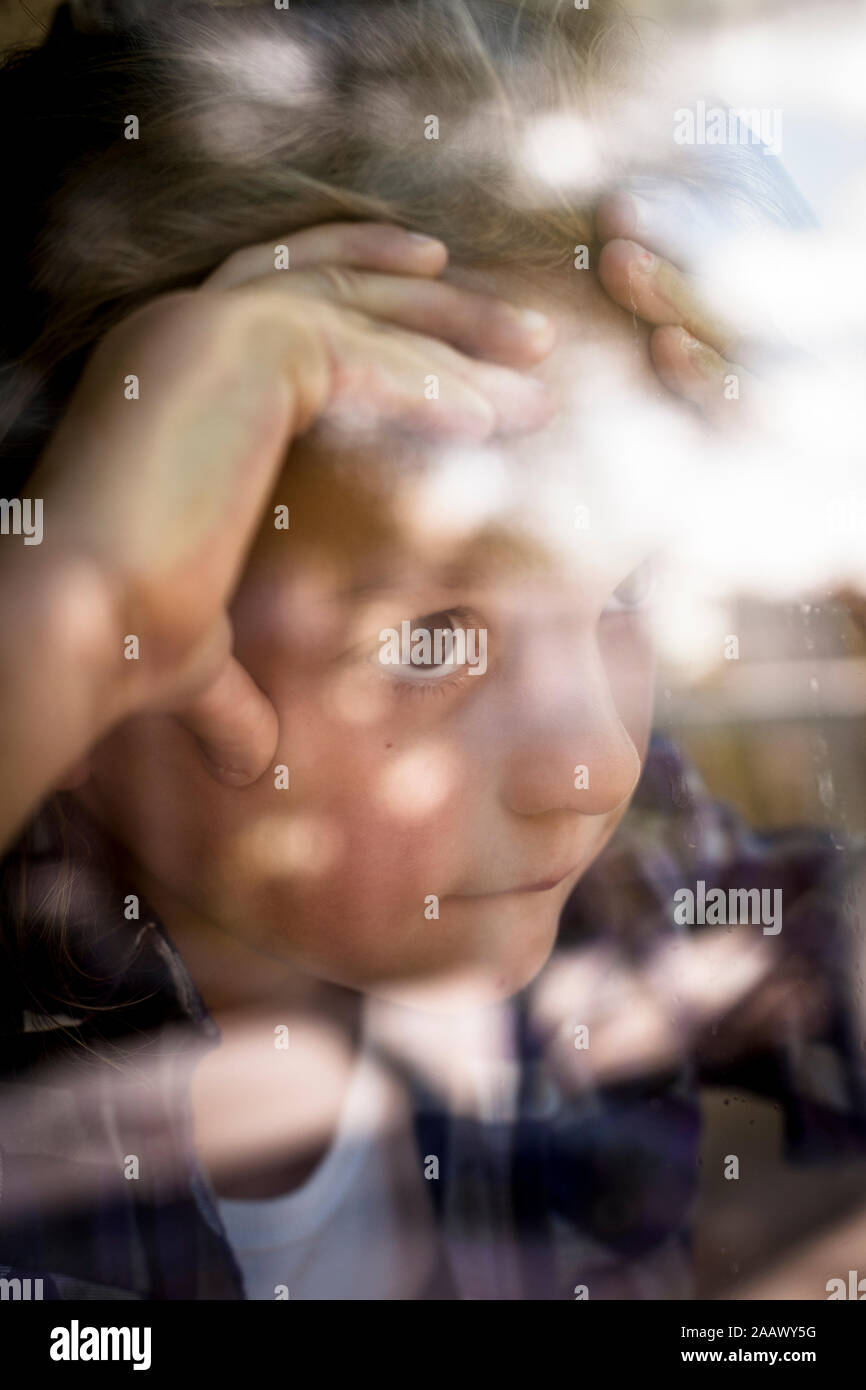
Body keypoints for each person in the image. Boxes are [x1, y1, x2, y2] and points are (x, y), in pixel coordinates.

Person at [0, 0, 863, 1301]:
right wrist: (62, 606)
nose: (586, 767)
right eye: (425, 637)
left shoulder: (638, 882)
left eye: (618, 589)